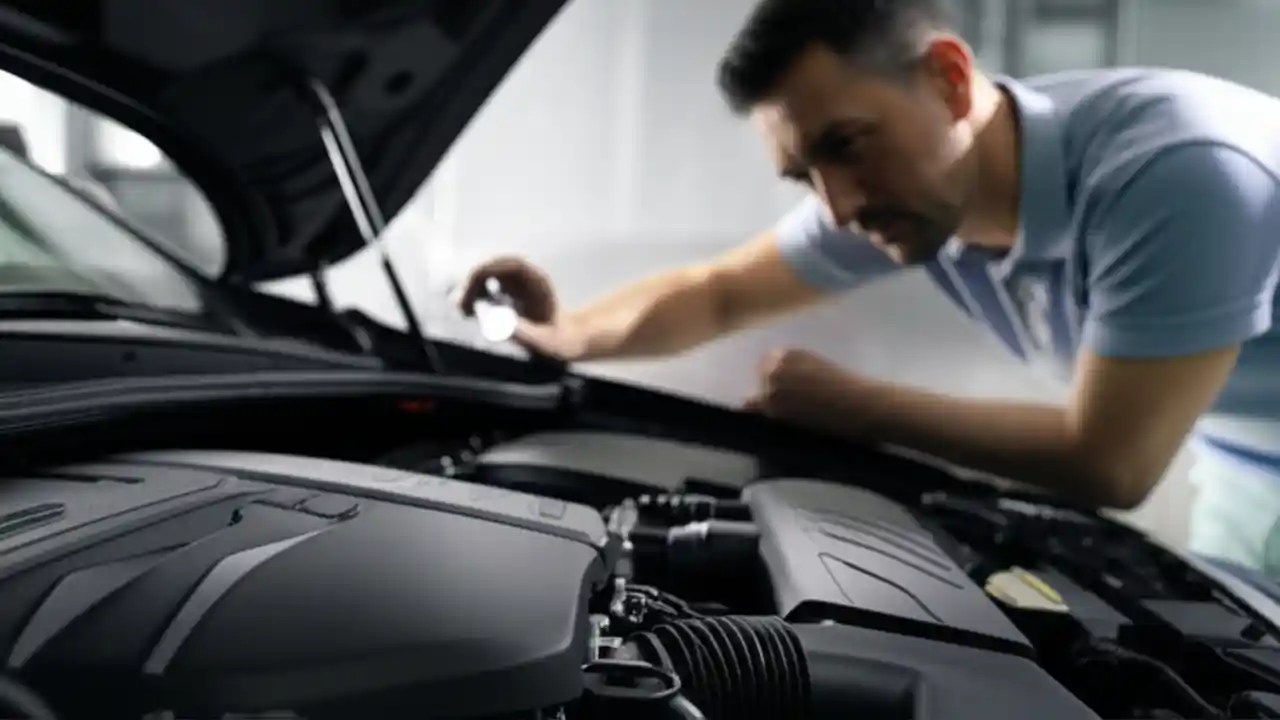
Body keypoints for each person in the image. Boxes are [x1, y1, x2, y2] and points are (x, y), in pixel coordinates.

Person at [457, 0, 1280, 578]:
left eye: (846, 145)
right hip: (1246, 460)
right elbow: (719, 294)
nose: (840, 206)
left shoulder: (1181, 174)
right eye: (803, 175)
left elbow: (1111, 462)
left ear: (950, 82)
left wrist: (858, 408)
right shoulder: (917, 189)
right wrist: (568, 333)